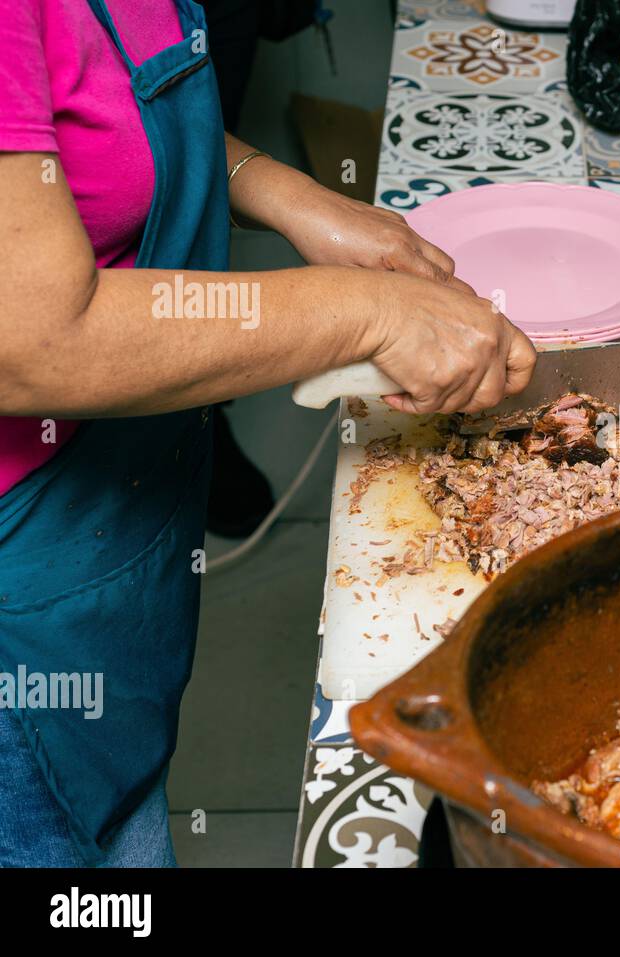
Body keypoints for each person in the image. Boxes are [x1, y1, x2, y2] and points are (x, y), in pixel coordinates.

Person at [0, 0, 535, 866]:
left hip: (115, 555)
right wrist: (362, 315)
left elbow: (91, 128)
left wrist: (287, 193)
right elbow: (32, 339)